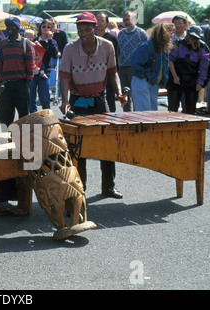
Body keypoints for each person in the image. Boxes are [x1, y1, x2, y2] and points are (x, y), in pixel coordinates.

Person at [59, 12, 127, 199]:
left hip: (100, 100)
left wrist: (119, 93)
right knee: (77, 149)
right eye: (80, 30)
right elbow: (64, 76)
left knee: (107, 145)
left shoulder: (107, 46)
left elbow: (113, 73)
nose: (84, 34)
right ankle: (80, 190)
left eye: (87, 29)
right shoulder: (69, 48)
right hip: (78, 101)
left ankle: (109, 187)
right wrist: (65, 100)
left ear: (95, 28)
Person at [0, 16, 34, 215]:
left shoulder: (26, 44)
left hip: (20, 86)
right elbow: (0, 65)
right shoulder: (2, 44)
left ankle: (24, 146)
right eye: (7, 26)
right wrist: (0, 81)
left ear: (18, 29)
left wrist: (26, 84)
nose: (9, 29)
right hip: (6, 86)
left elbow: (31, 66)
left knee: (24, 119)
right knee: (5, 121)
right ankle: (7, 146)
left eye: (12, 27)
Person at [167, 25, 210, 115]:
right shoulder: (179, 43)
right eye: (190, 36)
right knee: (172, 109)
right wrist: (175, 76)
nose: (190, 39)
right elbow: (170, 60)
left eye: (194, 37)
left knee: (190, 110)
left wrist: (201, 82)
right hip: (176, 78)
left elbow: (205, 67)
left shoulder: (203, 47)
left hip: (192, 80)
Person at [131, 23, 173, 111]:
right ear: (164, 34)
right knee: (143, 113)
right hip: (143, 82)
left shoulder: (163, 48)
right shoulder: (146, 46)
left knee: (152, 113)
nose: (172, 36)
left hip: (152, 83)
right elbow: (136, 63)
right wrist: (146, 77)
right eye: (171, 33)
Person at [118, 11, 147, 112]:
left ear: (134, 20)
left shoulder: (142, 33)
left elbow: (146, 52)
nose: (126, 22)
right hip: (122, 68)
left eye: (128, 19)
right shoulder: (120, 34)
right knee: (124, 95)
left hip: (135, 69)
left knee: (136, 95)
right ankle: (127, 118)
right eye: (124, 20)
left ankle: (137, 117)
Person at [28, 19, 59, 113]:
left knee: (44, 97)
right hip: (33, 71)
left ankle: (46, 118)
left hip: (45, 72)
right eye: (44, 26)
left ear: (51, 29)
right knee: (31, 97)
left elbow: (54, 54)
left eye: (48, 26)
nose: (46, 28)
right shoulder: (35, 40)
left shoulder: (52, 41)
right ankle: (33, 118)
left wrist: (50, 40)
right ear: (40, 27)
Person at [96, 12, 119, 112]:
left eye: (102, 20)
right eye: (97, 20)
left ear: (106, 23)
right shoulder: (91, 37)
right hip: (94, 72)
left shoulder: (112, 38)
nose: (99, 22)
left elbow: (116, 57)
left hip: (108, 73)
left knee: (110, 98)